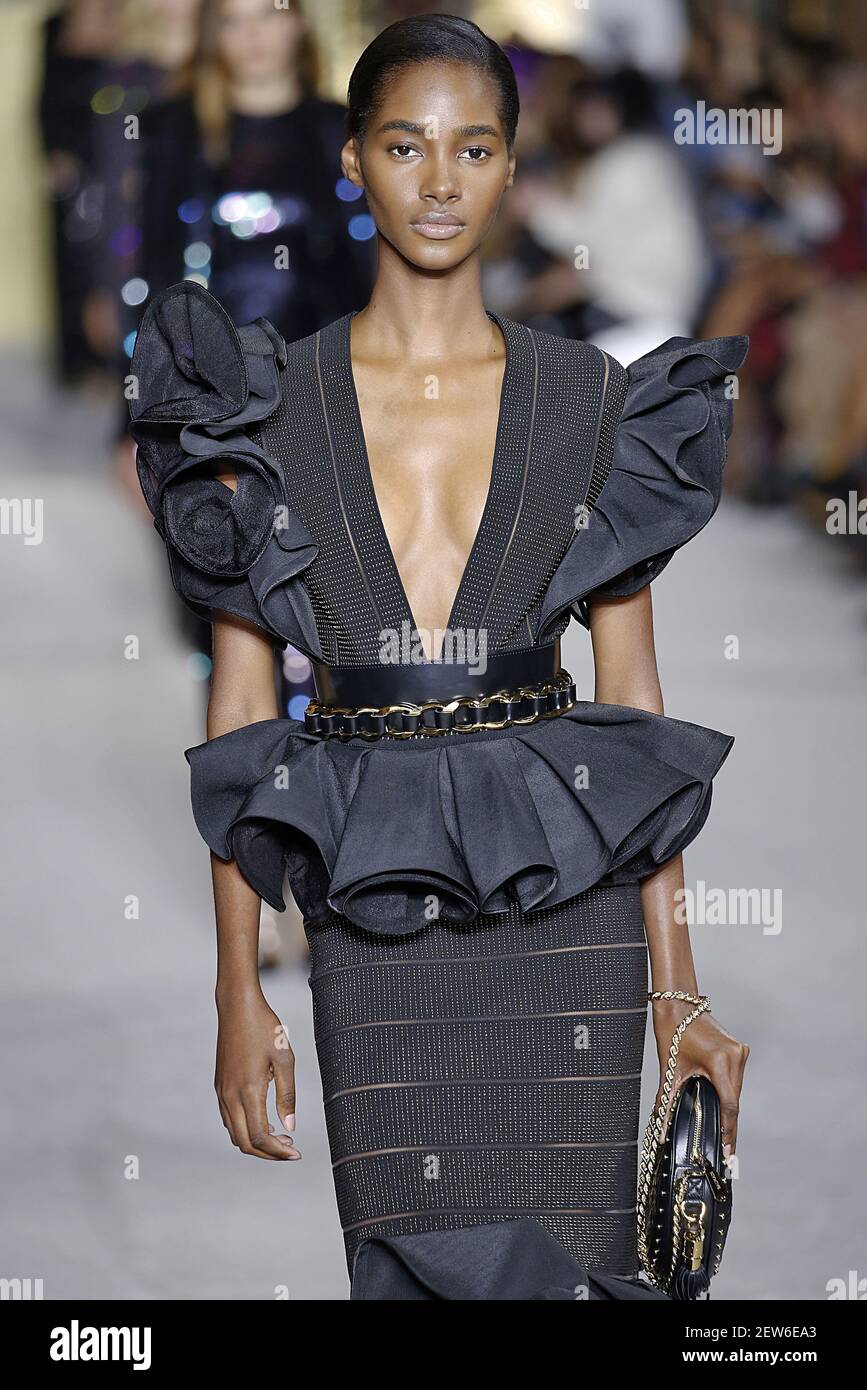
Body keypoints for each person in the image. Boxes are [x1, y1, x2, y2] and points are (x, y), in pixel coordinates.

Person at [128, 14, 750, 1300]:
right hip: (375, 914)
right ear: (352, 160)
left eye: (474, 148)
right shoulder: (268, 407)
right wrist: (238, 991)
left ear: (515, 169)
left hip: (565, 910)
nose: (441, 180)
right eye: (407, 145)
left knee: (577, 1276)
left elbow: (633, 711)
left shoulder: (588, 399)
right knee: (406, 1271)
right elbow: (242, 725)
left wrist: (678, 995)